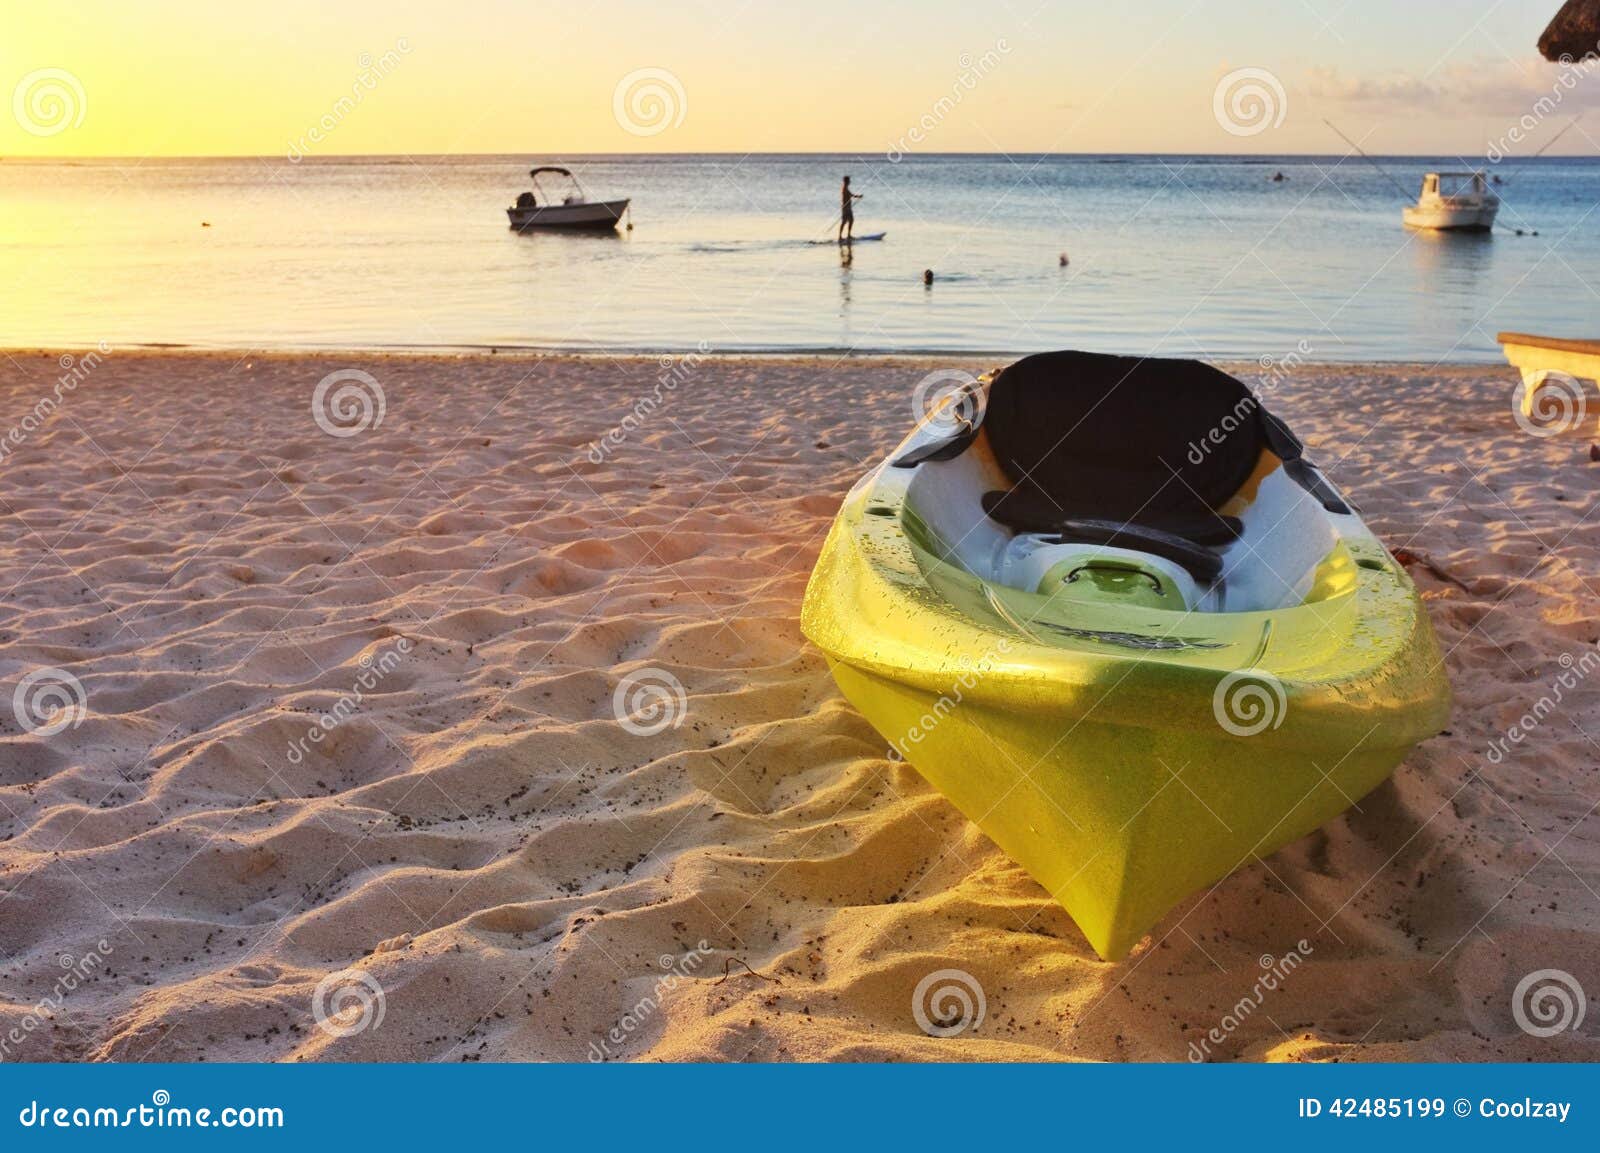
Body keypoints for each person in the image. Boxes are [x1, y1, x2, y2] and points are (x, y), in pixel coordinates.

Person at [839, 175, 863, 242]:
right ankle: (840, 237)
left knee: (851, 220)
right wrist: (858, 196)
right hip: (846, 208)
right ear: (846, 181)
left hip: (847, 208)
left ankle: (848, 235)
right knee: (844, 221)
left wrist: (858, 196)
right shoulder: (844, 188)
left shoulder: (846, 188)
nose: (850, 181)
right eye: (849, 180)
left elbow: (851, 195)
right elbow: (851, 195)